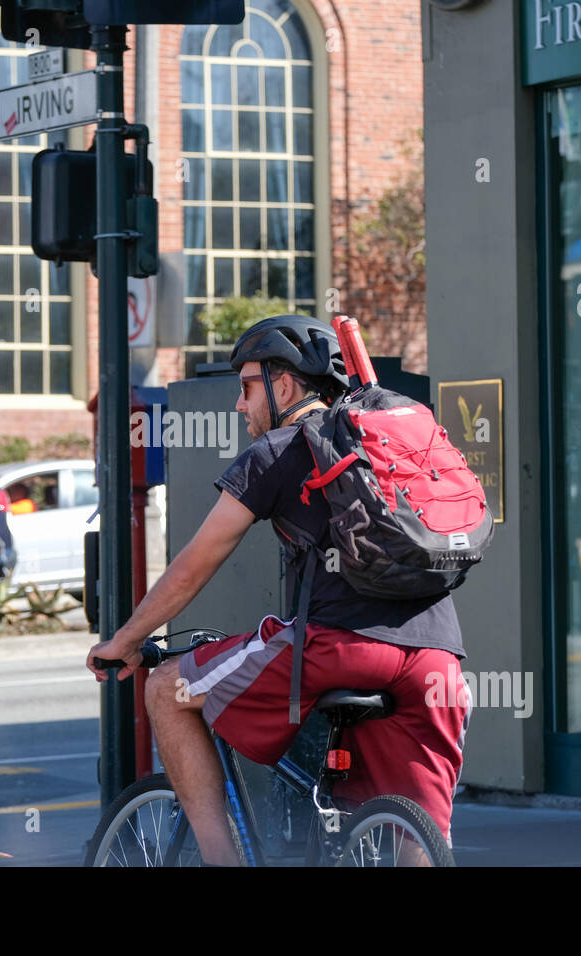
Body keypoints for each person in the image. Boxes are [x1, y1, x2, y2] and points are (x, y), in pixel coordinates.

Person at [87, 315, 470, 865]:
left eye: (245, 387)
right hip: (438, 660)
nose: (240, 405)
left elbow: (195, 564)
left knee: (168, 690)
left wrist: (125, 639)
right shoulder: (382, 445)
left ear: (283, 385)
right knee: (411, 838)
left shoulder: (280, 451)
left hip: (342, 648)